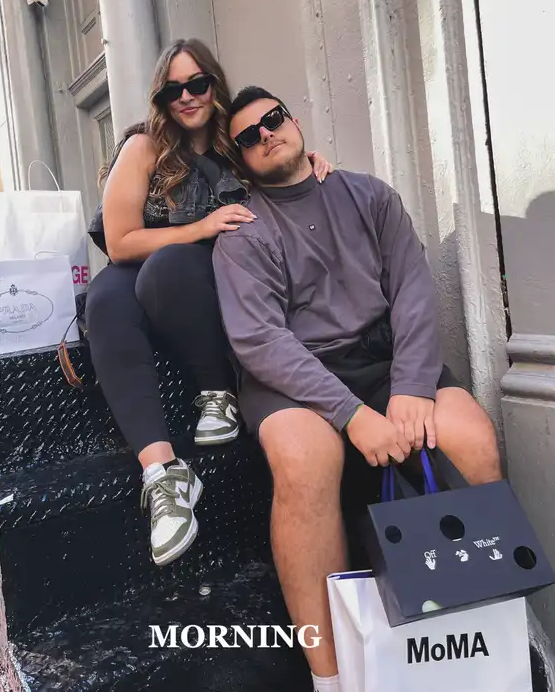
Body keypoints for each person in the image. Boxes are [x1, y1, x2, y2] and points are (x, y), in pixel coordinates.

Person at [212, 86, 503, 692]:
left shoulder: (370, 195)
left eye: (273, 119)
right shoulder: (242, 234)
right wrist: (351, 415)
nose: (266, 134)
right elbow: (261, 341)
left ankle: (482, 642)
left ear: (294, 121)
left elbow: (413, 290)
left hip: (384, 359)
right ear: (241, 158)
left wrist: (412, 386)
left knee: (471, 438)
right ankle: (331, 676)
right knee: (304, 460)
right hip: (293, 377)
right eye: (249, 136)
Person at [85, 41, 332, 567]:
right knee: (105, 300)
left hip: (211, 279)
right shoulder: (145, 146)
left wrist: (308, 162)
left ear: (214, 84)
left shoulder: (235, 146)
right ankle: (163, 474)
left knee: (171, 269)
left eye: (197, 84)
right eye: (173, 90)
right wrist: (199, 227)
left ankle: (217, 391)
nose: (187, 97)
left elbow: (278, 166)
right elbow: (120, 241)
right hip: (146, 263)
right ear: (161, 98)